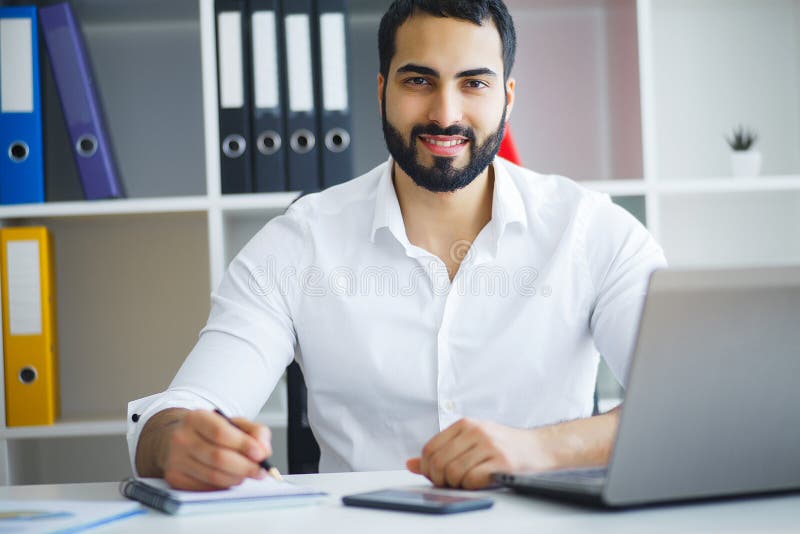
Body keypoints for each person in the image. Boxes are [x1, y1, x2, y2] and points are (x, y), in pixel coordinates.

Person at [128, 0, 666, 491]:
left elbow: (691, 405)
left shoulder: (593, 232)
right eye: (419, 81)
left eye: (473, 83)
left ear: (508, 97)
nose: (445, 114)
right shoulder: (297, 242)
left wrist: (534, 448)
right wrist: (179, 441)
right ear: (381, 88)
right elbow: (182, 412)